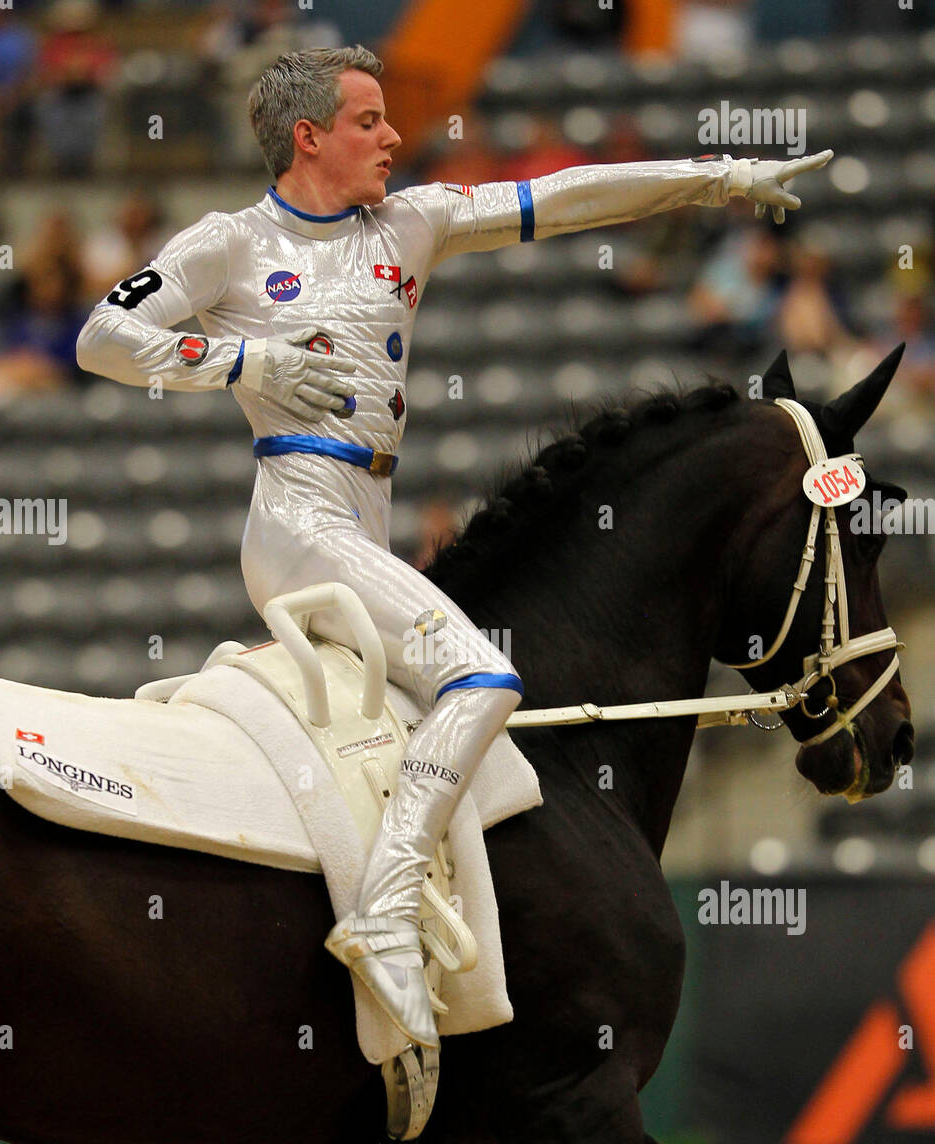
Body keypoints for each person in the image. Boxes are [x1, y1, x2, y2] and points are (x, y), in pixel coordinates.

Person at [76, 44, 832, 1054]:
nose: (392, 136)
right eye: (368, 121)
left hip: (363, 520)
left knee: (421, 724)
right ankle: (381, 913)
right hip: (300, 521)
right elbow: (99, 338)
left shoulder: (410, 223)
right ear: (308, 138)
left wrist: (715, 178)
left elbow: (558, 197)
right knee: (481, 676)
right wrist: (240, 359)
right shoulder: (230, 241)